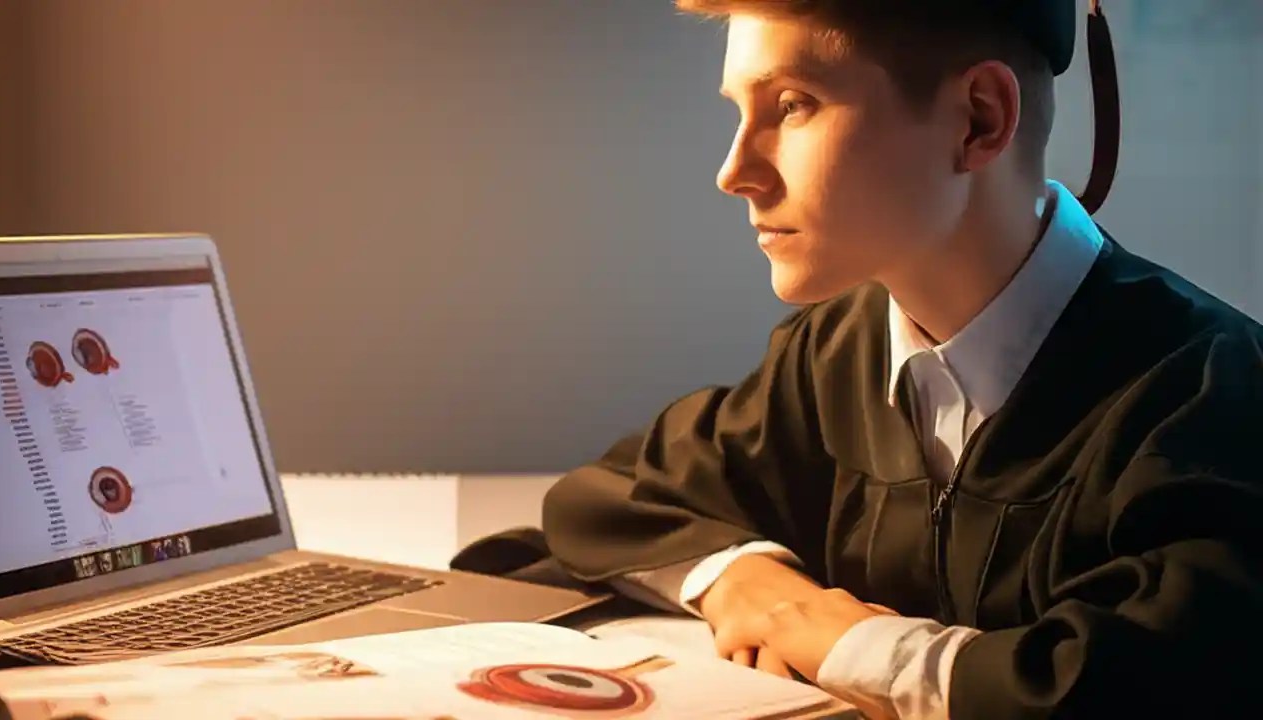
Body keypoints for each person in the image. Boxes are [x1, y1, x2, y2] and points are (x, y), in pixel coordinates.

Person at [539, 1, 1263, 718]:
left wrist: (863, 650)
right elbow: (617, 498)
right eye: (741, 111)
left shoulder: (1210, 395)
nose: (735, 171)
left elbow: (1168, 676)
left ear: (979, 118)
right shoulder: (831, 356)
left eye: (793, 105)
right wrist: (749, 583)